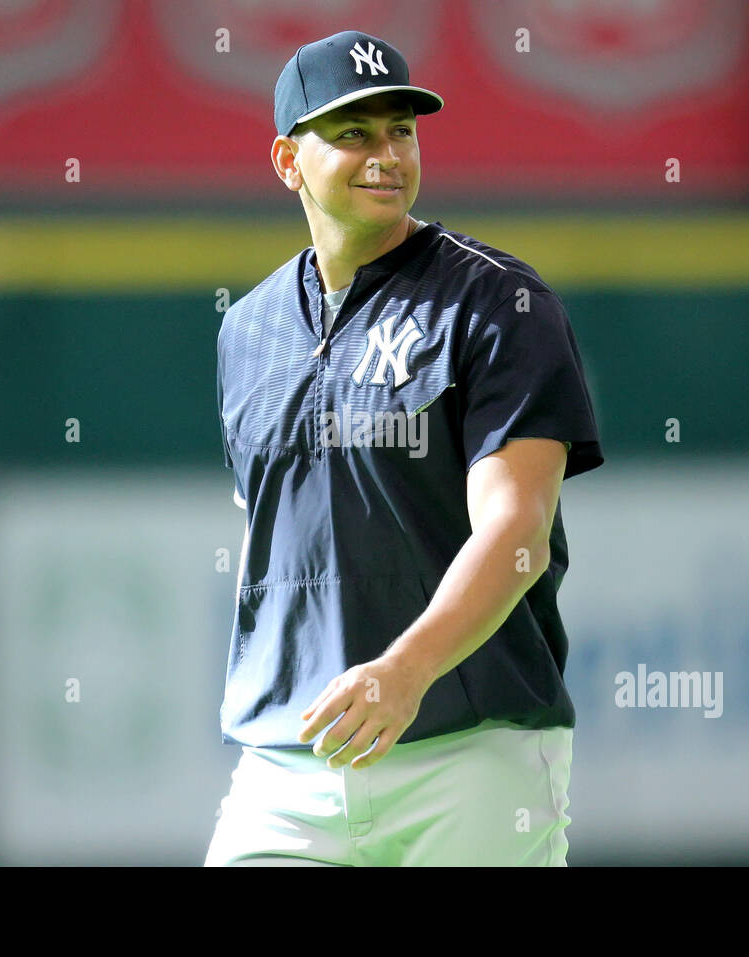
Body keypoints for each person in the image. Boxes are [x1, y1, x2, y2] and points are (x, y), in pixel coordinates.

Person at [208, 30, 604, 866]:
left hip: (471, 750)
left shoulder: (498, 302)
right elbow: (267, 538)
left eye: (402, 130)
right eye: (353, 133)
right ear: (288, 160)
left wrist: (406, 668)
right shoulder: (248, 330)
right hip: (290, 764)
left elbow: (518, 532)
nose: (385, 153)